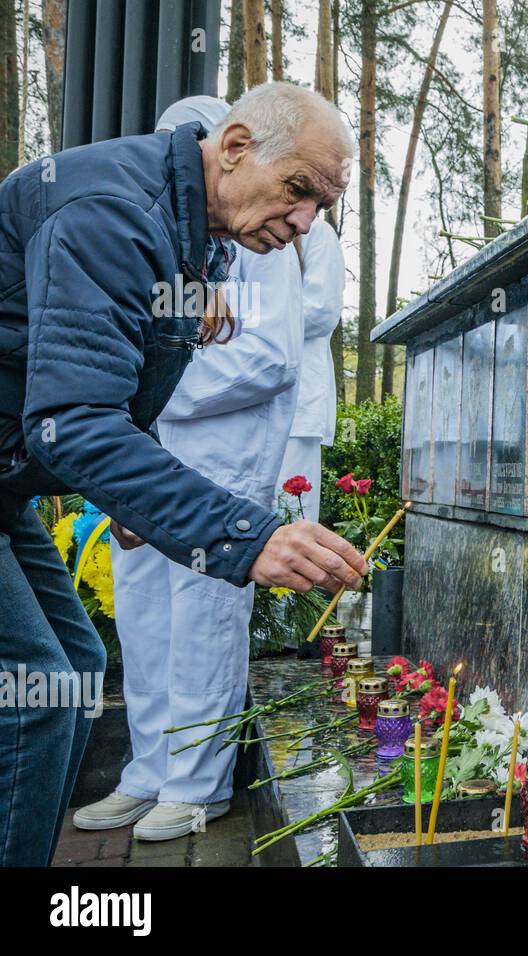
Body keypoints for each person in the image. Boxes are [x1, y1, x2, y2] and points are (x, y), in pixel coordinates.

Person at [0, 81, 368, 866]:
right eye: (298, 192)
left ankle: (136, 802)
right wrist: (244, 532)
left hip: (18, 479)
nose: (304, 223)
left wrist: (121, 490)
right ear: (233, 147)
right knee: (33, 697)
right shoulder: (110, 212)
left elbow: (103, 377)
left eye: (319, 209)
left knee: (75, 669)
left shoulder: (196, 228)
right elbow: (72, 414)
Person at [70, 95, 303, 843]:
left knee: (203, 619)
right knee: (141, 616)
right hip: (146, 457)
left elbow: (270, 357)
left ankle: (197, 784)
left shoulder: (264, 237)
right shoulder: (156, 229)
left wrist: (159, 393)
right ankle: (146, 772)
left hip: (221, 458)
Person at [275, 223, 345, 522]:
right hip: (247, 397)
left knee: (291, 512)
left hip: (300, 405)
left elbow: (321, 310)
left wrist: (245, 320)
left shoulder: (319, 234)